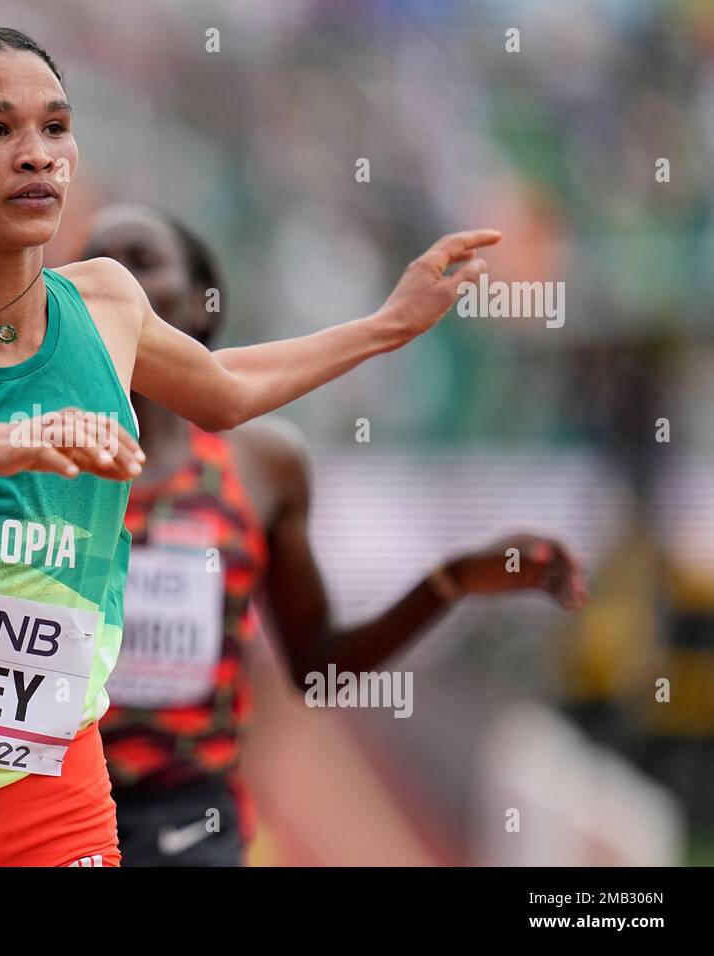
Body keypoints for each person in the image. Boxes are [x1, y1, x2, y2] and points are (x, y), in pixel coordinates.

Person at [0, 20, 504, 867]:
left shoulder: (106, 302)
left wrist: (384, 328)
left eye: (56, 127)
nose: (38, 154)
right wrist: (2, 446)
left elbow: (228, 393)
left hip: (50, 802)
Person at [81, 203, 589, 866]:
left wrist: (454, 580)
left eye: (139, 264)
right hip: (60, 808)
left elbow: (318, 669)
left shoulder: (262, 468)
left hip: (192, 821)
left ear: (201, 306)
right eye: (91, 272)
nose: (111, 288)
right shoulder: (35, 453)